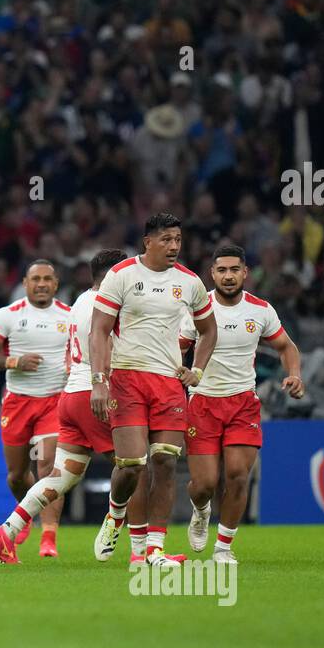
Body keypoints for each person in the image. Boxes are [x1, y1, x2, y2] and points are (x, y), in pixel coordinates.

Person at [0, 249, 151, 564]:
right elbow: (104, 351)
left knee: (61, 476)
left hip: (70, 397)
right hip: (96, 393)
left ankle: (7, 530)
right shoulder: (106, 305)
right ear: (115, 275)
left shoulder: (78, 303)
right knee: (135, 467)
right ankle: (142, 553)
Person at [88, 213, 218, 568]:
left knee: (165, 462)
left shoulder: (189, 282)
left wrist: (197, 370)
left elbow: (209, 330)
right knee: (132, 464)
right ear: (148, 242)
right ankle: (115, 514)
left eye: (178, 240)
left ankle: (154, 550)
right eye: (166, 239)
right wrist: (98, 381)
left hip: (169, 383)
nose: (174, 246)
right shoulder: (122, 275)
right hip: (127, 378)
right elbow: (99, 331)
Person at [180, 245, 305, 564]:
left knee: (237, 475)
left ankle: (223, 548)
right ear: (212, 274)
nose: (228, 276)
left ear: (245, 273)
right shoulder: (198, 308)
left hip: (243, 403)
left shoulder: (260, 310)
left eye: (234, 269)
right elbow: (177, 347)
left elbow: (286, 346)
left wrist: (294, 374)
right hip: (203, 402)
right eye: (222, 270)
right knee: (204, 484)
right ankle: (201, 509)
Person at [0, 259, 72, 557]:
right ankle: (26, 513)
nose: (41, 284)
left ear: (56, 284)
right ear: (25, 283)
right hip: (17, 402)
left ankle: (49, 537)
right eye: (36, 279)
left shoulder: (70, 316)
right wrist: (14, 361)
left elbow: (83, 350)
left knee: (49, 468)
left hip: (54, 401)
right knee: (17, 475)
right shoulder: (8, 315)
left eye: (47, 279)